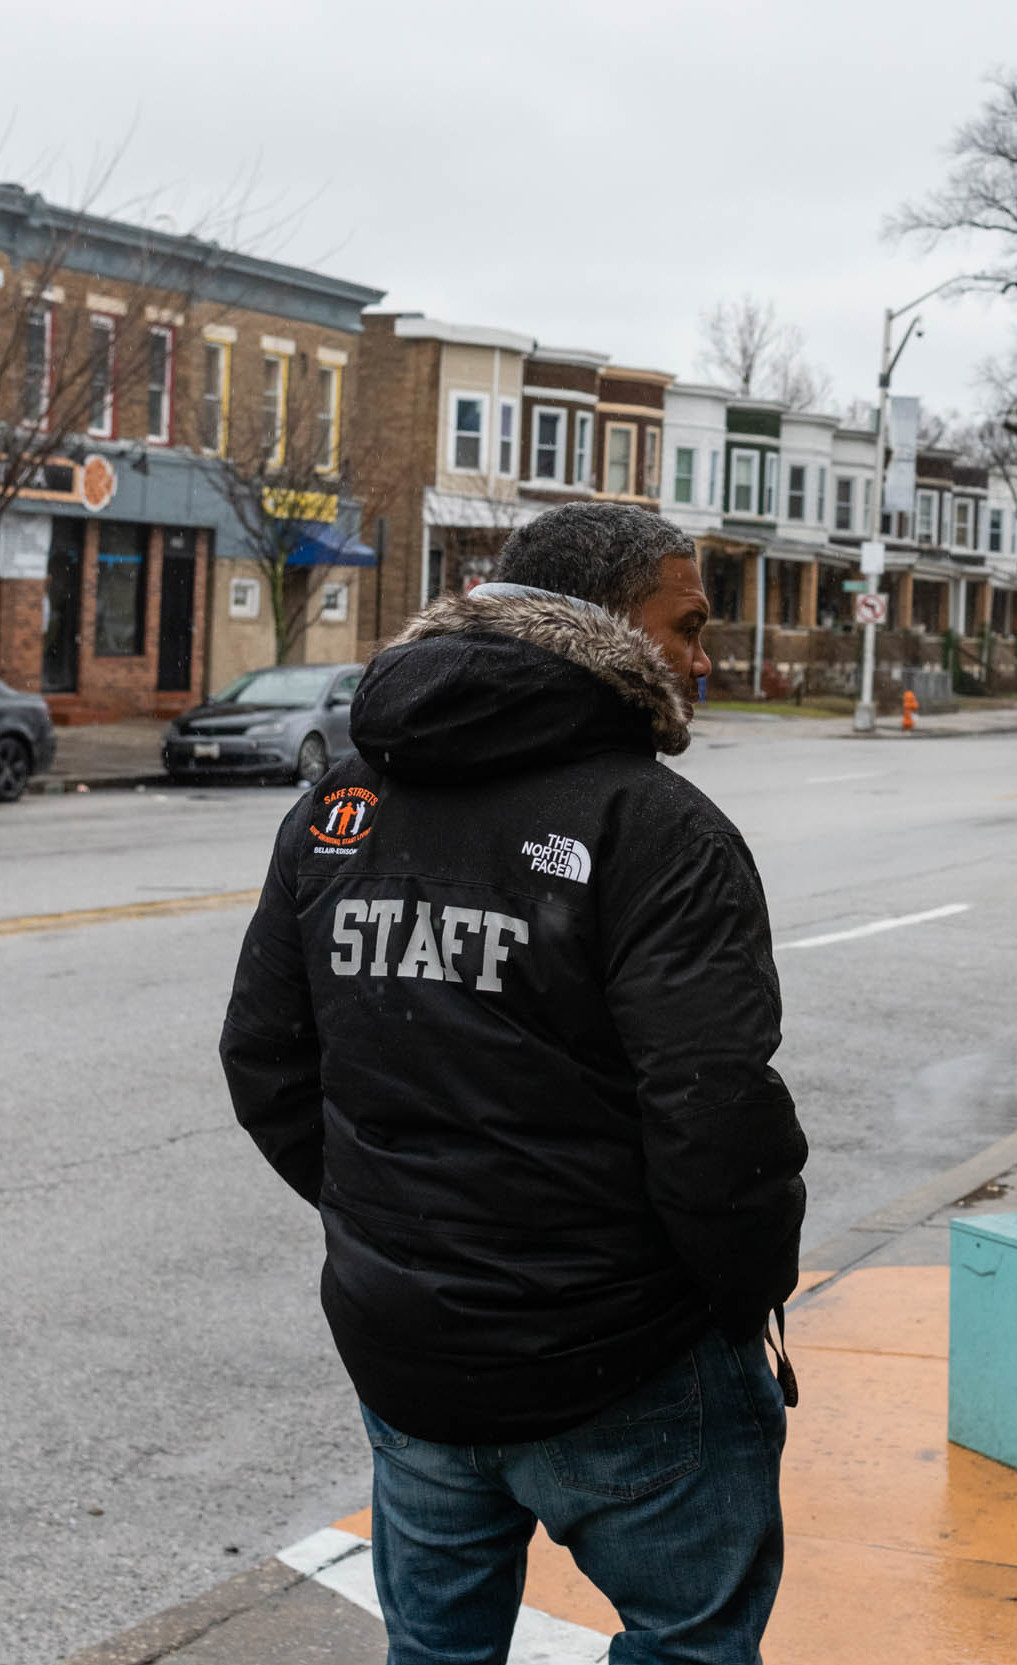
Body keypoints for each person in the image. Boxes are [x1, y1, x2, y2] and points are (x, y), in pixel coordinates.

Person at [220, 502, 807, 1665]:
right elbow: (716, 1120)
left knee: (436, 1654)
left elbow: (265, 1060)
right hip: (628, 1357)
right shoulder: (657, 827)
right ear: (602, 624)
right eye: (686, 625)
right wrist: (737, 1301)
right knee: (689, 1641)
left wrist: (397, 1227)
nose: (705, 658)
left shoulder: (342, 803)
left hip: (409, 1351)